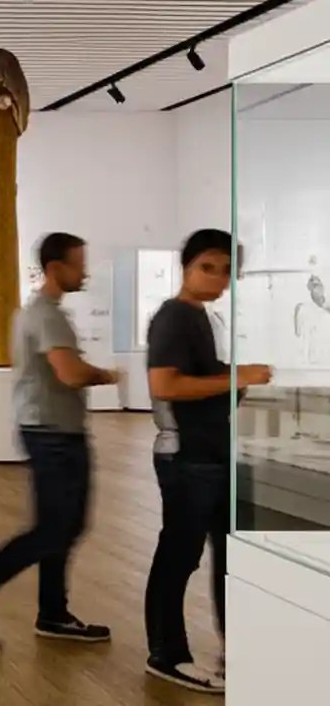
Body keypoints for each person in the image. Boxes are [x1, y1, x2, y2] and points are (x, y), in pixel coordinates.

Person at [0, 232, 119, 652]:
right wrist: (106, 375)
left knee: (59, 527)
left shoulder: (31, 312)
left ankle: (53, 613)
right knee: (58, 528)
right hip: (55, 435)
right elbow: (70, 373)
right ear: (57, 268)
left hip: (44, 430)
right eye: (79, 263)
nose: (85, 271)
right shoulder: (48, 316)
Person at [144, 229, 271, 693]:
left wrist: (232, 383)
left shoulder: (200, 320)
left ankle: (233, 649)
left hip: (213, 456)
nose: (219, 279)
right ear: (187, 265)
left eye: (226, 271)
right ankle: (167, 653)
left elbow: (202, 384)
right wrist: (236, 377)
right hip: (188, 459)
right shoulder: (174, 317)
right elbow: (166, 386)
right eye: (209, 267)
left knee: (227, 553)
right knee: (179, 556)